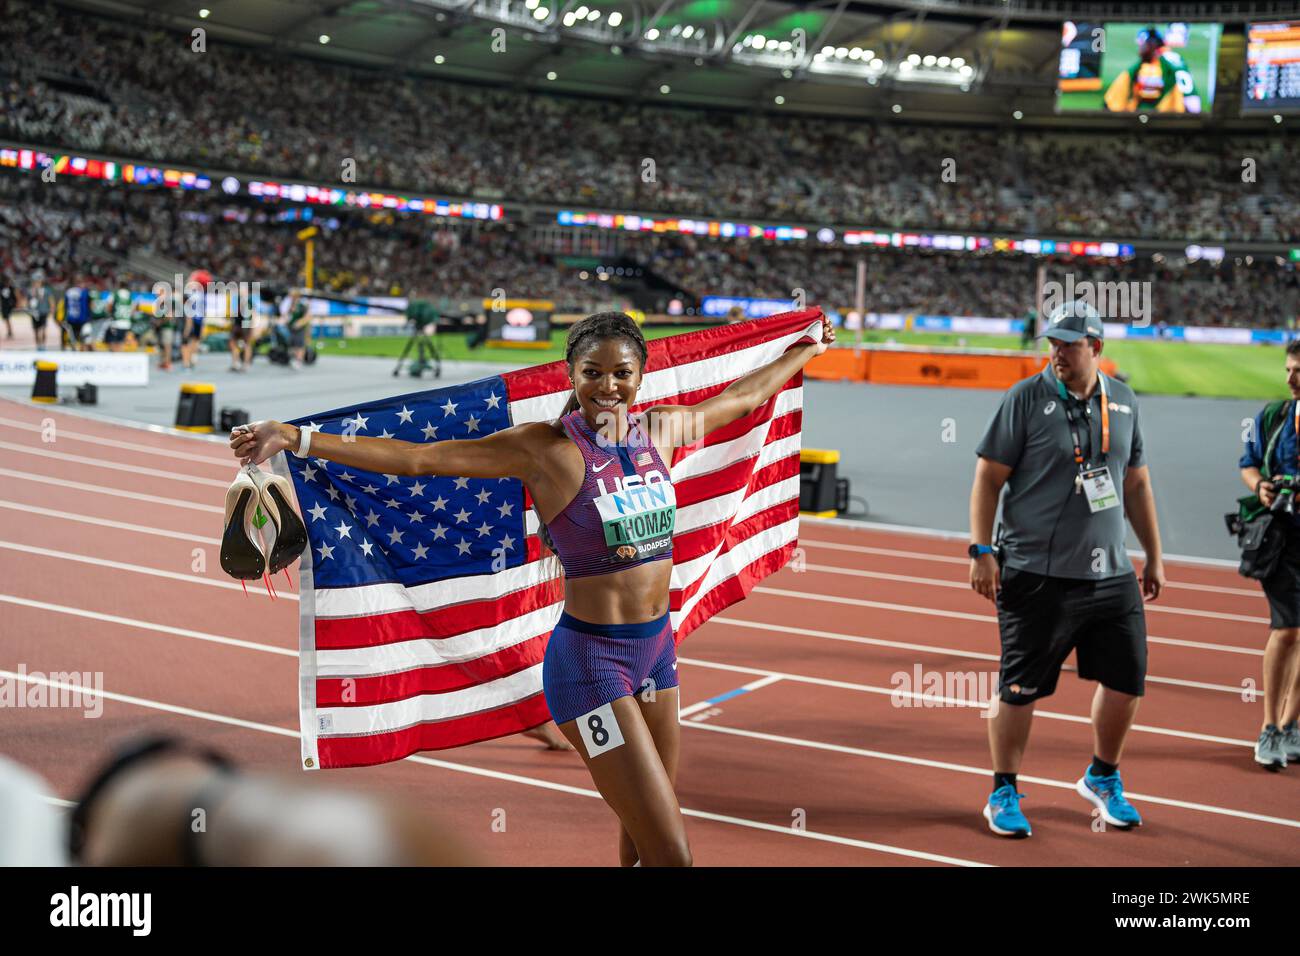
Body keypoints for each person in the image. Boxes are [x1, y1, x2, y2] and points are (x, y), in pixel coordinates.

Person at [231, 310, 835, 865]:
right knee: (673, 855)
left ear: (642, 375)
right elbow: (421, 460)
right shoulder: (544, 449)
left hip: (658, 654)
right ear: (570, 374)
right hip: (590, 665)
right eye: (591, 372)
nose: (607, 387)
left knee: (642, 834)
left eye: (621, 373)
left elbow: (743, 396)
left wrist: (803, 350)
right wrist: (296, 438)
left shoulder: (660, 432)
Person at [968, 299, 1165, 838]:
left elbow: (1135, 483)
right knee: (1021, 689)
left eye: (1068, 344)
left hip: (1111, 573)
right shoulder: (1026, 399)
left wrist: (1154, 553)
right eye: (1052, 343)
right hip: (1035, 574)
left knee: (1128, 681)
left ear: (1095, 348)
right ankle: (1003, 789)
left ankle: (1102, 776)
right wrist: (981, 550)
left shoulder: (1122, 402)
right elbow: (989, 478)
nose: (1056, 352)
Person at [1236, 339, 1300, 769]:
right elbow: (1248, 463)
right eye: (1289, 370)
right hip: (1280, 540)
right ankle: (1269, 727)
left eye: (1298, 371)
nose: (1290, 379)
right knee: (1288, 627)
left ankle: (1291, 724)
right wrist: (1259, 485)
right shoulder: (1275, 416)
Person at [1104, 26, 1202, 114]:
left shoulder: (1154, 66)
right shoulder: (1175, 57)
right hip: (1192, 99)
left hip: (1180, 101)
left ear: (1151, 45)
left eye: (1142, 45)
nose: (1140, 48)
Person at [27, 275, 54, 350]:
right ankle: (38, 345)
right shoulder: (31, 290)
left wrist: (52, 308)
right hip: (34, 313)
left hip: (43, 312)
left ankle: (43, 344)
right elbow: (28, 301)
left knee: (42, 329)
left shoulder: (46, 290)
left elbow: (50, 299)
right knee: (36, 330)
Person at [0, 275, 15, 341]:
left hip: (8, 306)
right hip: (4, 305)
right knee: (6, 319)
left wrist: (14, 304)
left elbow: (14, 296)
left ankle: (10, 331)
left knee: (7, 318)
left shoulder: (11, 288)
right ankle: (10, 331)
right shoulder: (1, 287)